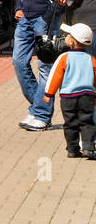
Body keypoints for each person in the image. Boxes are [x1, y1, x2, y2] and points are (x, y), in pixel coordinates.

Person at [15, 0, 70, 131]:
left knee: (45, 67)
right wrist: (18, 7)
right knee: (19, 62)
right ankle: (39, 105)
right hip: (24, 17)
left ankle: (41, 115)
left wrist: (47, 17)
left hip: (44, 19)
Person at [42, 23, 96, 158]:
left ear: (71, 41)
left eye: (68, 35)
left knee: (70, 122)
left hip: (68, 97)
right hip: (88, 96)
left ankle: (72, 149)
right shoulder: (92, 60)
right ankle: (89, 147)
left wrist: (49, 93)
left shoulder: (64, 58)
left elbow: (55, 76)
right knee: (87, 122)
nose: (65, 37)